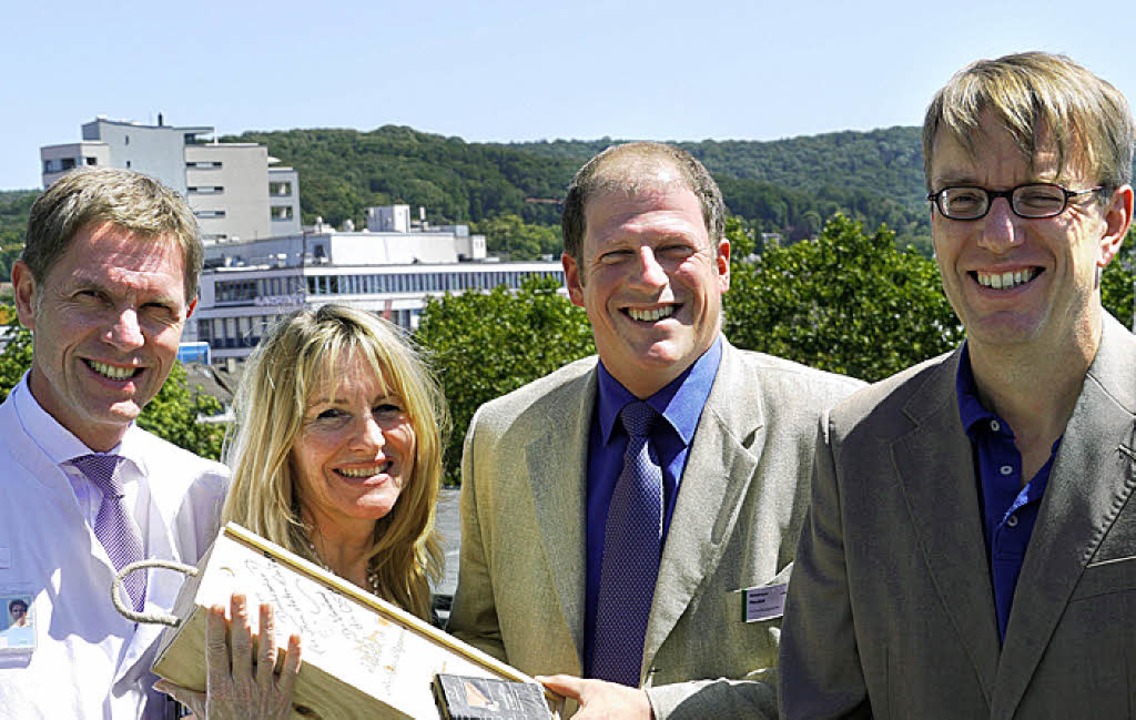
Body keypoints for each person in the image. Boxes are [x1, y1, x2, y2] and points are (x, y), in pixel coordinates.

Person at [449, 142, 863, 718]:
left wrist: (653, 713)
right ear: (574, 280)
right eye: (616, 253)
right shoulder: (502, 435)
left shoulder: (838, 429)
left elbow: (858, 673)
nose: (648, 278)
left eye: (673, 248)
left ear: (721, 265)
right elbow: (480, 641)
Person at [779, 51, 1136, 718]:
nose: (997, 236)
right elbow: (823, 705)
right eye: (964, 199)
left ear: (1111, 223)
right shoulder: (857, 445)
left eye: (1039, 196)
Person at [0, 168, 230, 718]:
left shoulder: (212, 501)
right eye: (93, 296)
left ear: (188, 317)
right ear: (28, 297)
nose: (126, 335)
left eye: (156, 309)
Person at [157, 304, 449, 714]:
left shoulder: (410, 580)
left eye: (388, 408)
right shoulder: (241, 612)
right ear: (280, 443)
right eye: (331, 414)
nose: (370, 439)